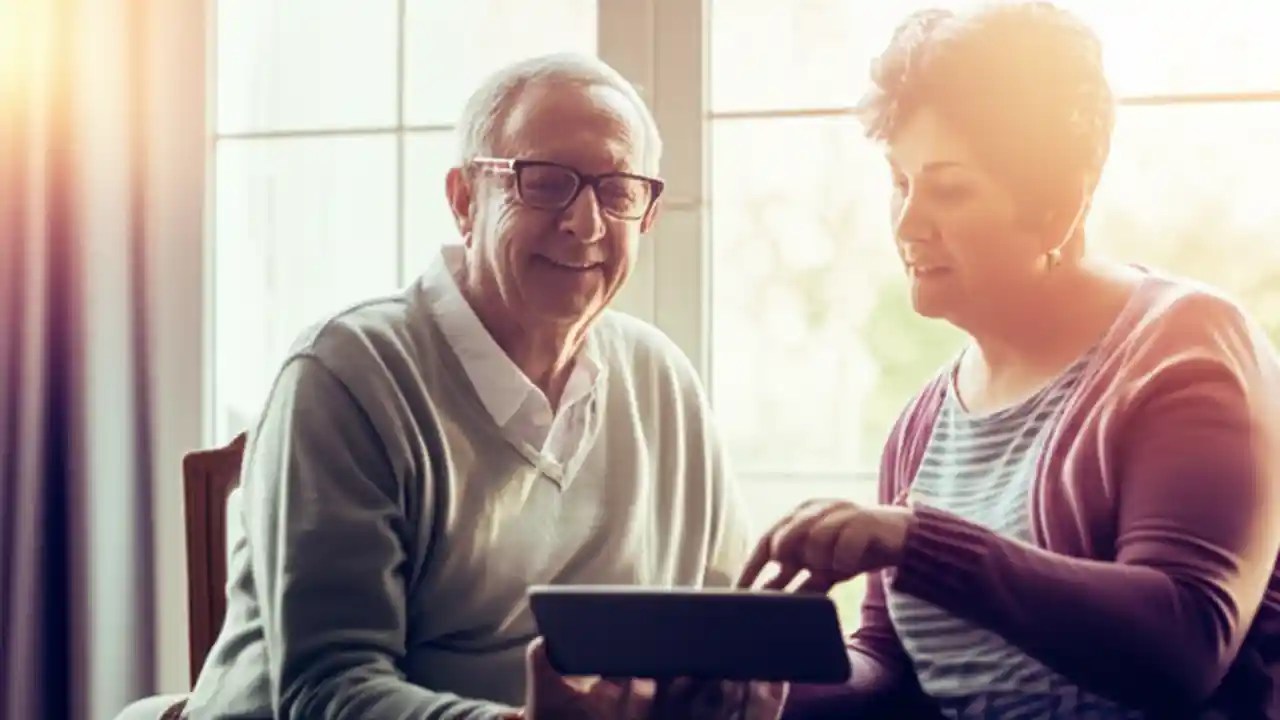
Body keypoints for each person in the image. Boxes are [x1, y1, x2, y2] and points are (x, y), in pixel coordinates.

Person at [160, 53, 772, 720]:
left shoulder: (663, 381)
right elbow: (325, 692)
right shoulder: (345, 375)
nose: (585, 224)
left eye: (617, 190)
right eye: (543, 182)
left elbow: (728, 630)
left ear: (645, 214)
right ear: (463, 200)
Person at [739, 4, 1280, 719]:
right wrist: (752, 691)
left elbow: (1185, 641)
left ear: (1057, 202)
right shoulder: (924, 421)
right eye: (900, 181)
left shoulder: (1185, 349)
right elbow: (889, 672)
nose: (905, 223)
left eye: (949, 188)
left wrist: (919, 541)